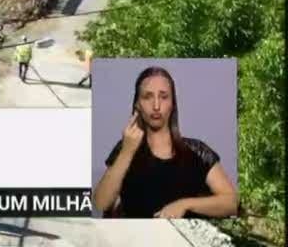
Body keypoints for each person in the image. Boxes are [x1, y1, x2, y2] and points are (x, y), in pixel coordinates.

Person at [92, 67, 237, 219]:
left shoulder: (197, 152)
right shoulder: (125, 148)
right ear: (137, 105)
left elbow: (232, 202)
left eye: (164, 97)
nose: (156, 106)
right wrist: (127, 150)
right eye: (147, 97)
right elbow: (101, 203)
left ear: (173, 104)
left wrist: (184, 204)